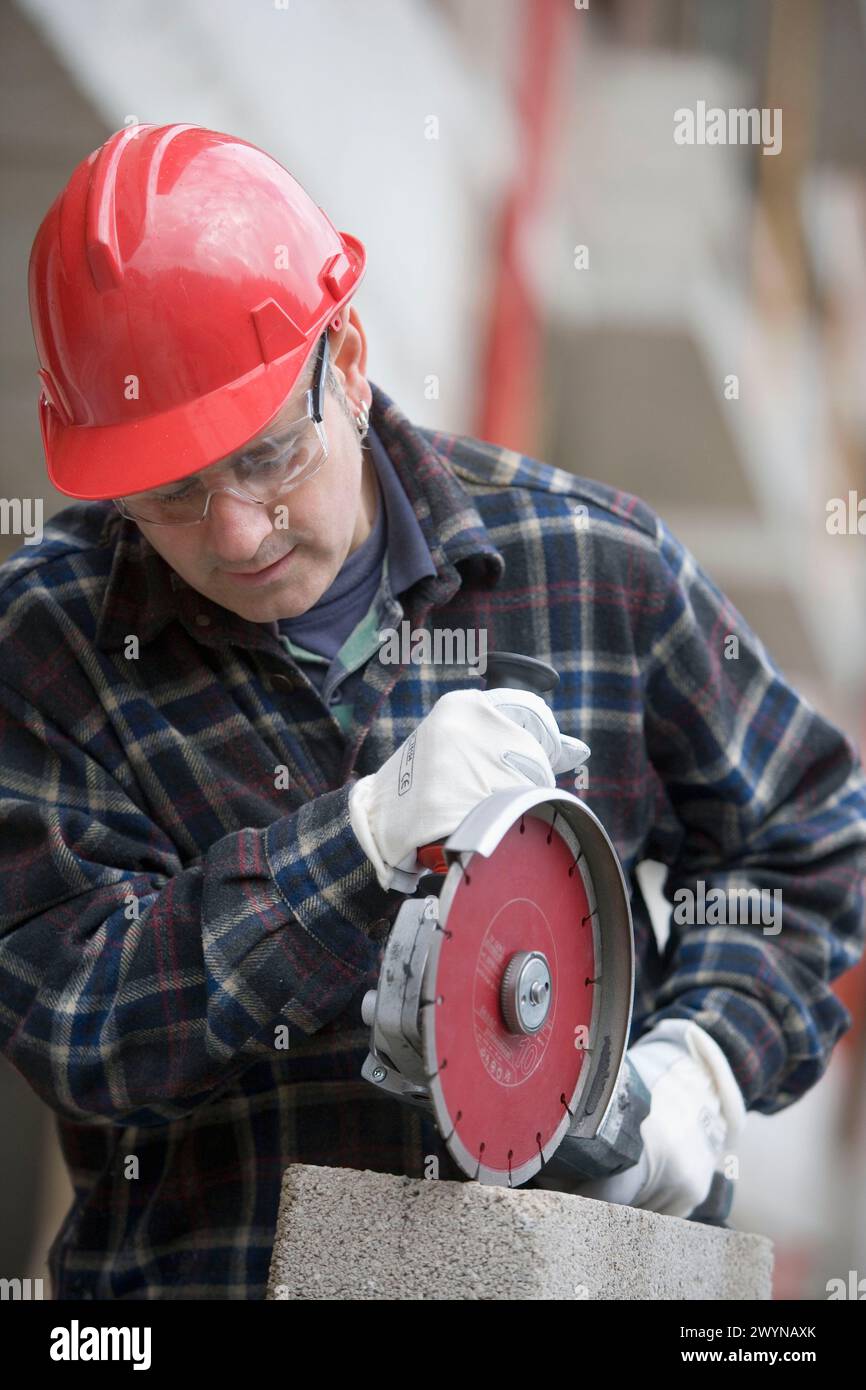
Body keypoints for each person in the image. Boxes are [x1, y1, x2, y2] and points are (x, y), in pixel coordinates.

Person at [2, 123, 864, 1300]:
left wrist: (707, 1068)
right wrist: (357, 841)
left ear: (344, 357)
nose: (238, 532)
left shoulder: (591, 565)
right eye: (170, 495)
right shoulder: (48, 643)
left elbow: (807, 833)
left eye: (266, 458)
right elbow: (79, 1022)